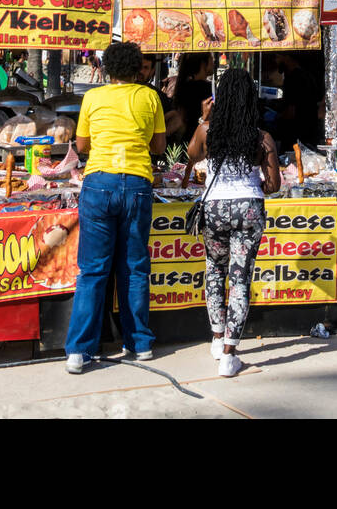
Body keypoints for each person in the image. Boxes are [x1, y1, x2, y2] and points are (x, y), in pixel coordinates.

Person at [65, 41, 166, 373]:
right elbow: (159, 146)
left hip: (99, 184)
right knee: (134, 268)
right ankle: (140, 344)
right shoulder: (149, 97)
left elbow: (82, 145)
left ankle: (79, 351)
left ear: (106, 68)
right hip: (137, 184)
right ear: (138, 67)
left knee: (93, 270)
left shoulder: (93, 97)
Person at [187, 69, 280, 377]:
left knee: (214, 270)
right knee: (240, 279)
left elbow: (190, 156)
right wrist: (258, 187)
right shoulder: (261, 138)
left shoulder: (208, 131)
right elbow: (274, 184)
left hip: (214, 208)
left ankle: (216, 337)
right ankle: (229, 353)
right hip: (249, 207)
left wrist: (203, 119)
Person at [275, 51, 321, 151]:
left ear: (287, 57)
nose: (276, 61)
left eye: (278, 57)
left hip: (297, 135)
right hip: (309, 133)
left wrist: (276, 118)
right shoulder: (306, 75)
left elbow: (291, 110)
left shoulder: (294, 78)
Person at [167, 53, 213, 141]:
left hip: (184, 141)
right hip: (198, 139)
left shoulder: (184, 86)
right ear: (203, 64)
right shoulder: (205, 89)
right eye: (211, 59)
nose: (213, 62)